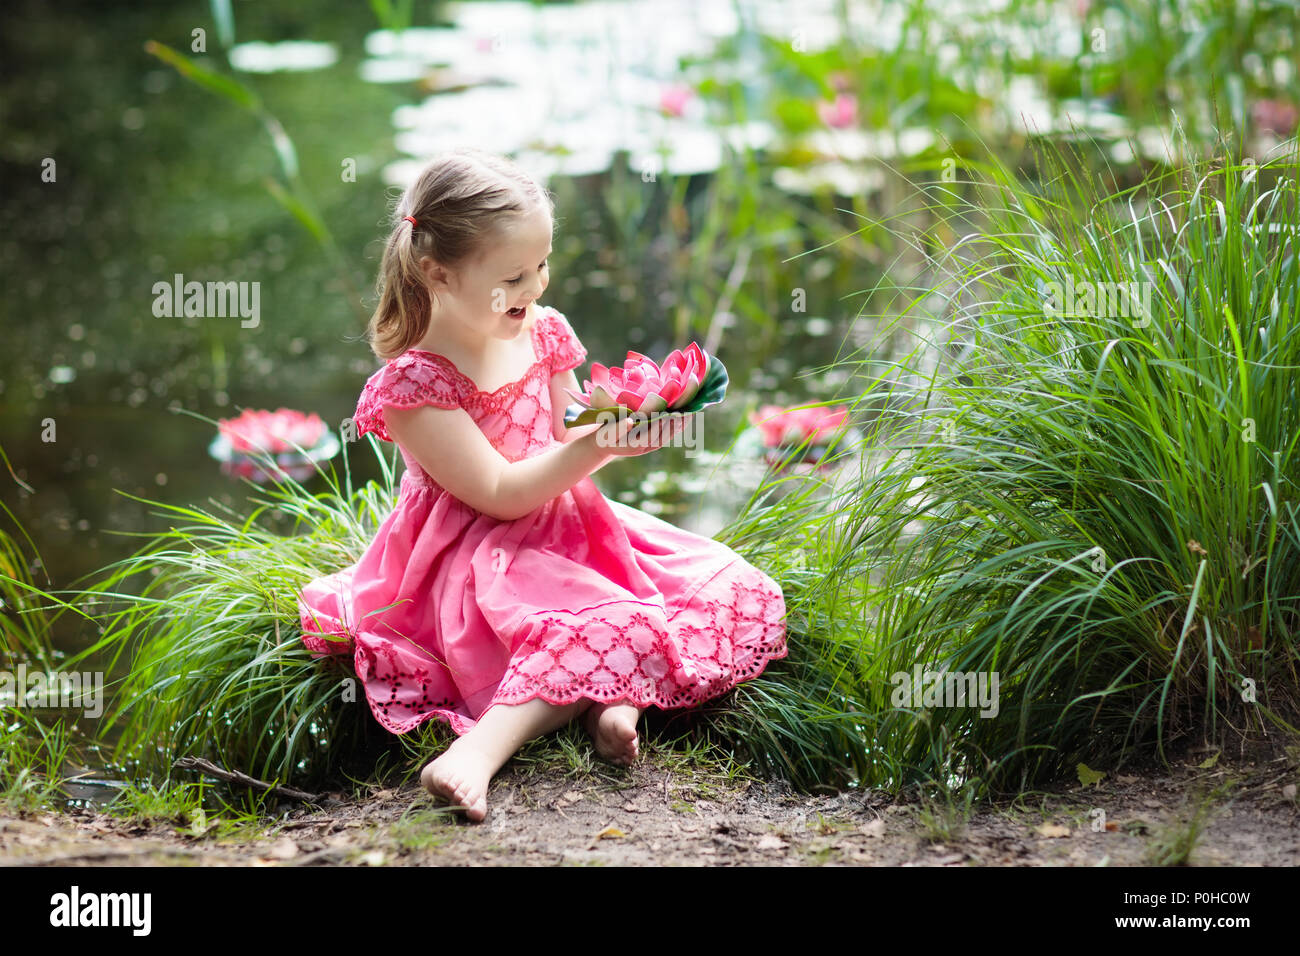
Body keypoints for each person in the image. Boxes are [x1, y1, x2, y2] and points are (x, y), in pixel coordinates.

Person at [296, 147, 787, 821]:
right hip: (476, 560)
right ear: (438, 274)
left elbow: (567, 432)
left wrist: (629, 427)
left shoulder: (544, 332)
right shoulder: (415, 384)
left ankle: (612, 702)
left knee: (725, 583)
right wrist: (592, 449)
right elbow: (501, 492)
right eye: (514, 276)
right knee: (582, 624)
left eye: (542, 265)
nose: (535, 288)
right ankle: (479, 753)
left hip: (567, 530)